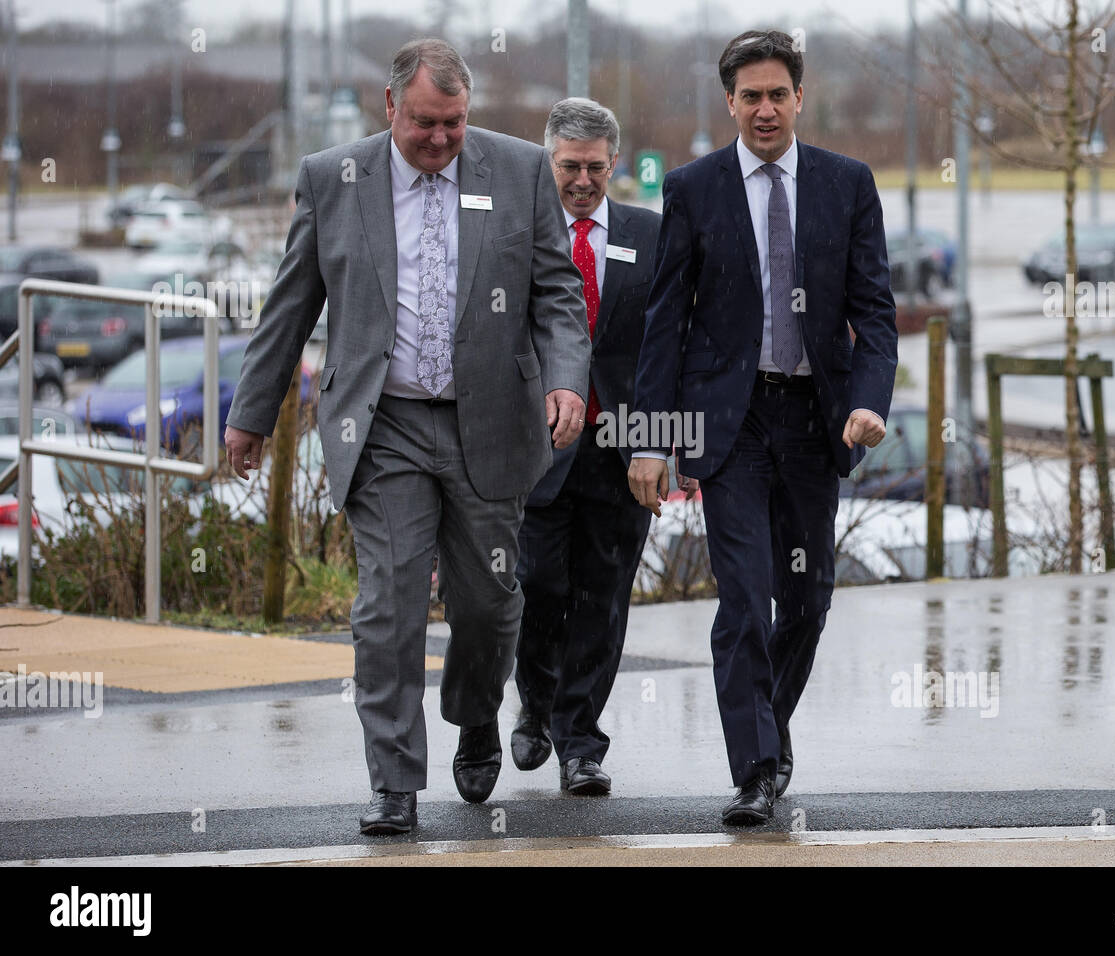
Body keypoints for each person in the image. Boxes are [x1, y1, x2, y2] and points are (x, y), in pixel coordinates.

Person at [224, 38, 590, 835]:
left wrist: (566, 378)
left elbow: (558, 292)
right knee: (387, 607)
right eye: (424, 122)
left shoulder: (521, 169)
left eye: (454, 124)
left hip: (488, 423)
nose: (439, 139)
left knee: (489, 606)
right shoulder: (334, 177)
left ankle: (476, 711)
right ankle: (394, 780)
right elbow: (291, 306)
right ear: (390, 107)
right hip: (381, 426)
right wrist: (251, 415)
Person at [628, 29, 898, 825]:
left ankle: (768, 734)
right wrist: (650, 436)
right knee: (743, 600)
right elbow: (664, 322)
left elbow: (874, 313)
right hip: (730, 425)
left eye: (779, 93)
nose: (766, 108)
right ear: (730, 103)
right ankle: (753, 771)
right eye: (751, 96)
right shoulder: (694, 188)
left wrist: (869, 399)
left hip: (818, 422)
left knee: (808, 602)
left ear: (800, 98)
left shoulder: (847, 185)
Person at [511, 97, 680, 796]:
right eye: (569, 166)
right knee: (538, 588)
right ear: (547, 160)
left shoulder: (653, 234)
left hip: (624, 452)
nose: (582, 180)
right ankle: (536, 704)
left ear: (615, 163)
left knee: (604, 601)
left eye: (595, 167)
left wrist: (666, 447)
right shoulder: (518, 235)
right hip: (535, 449)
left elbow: (673, 347)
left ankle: (582, 744)